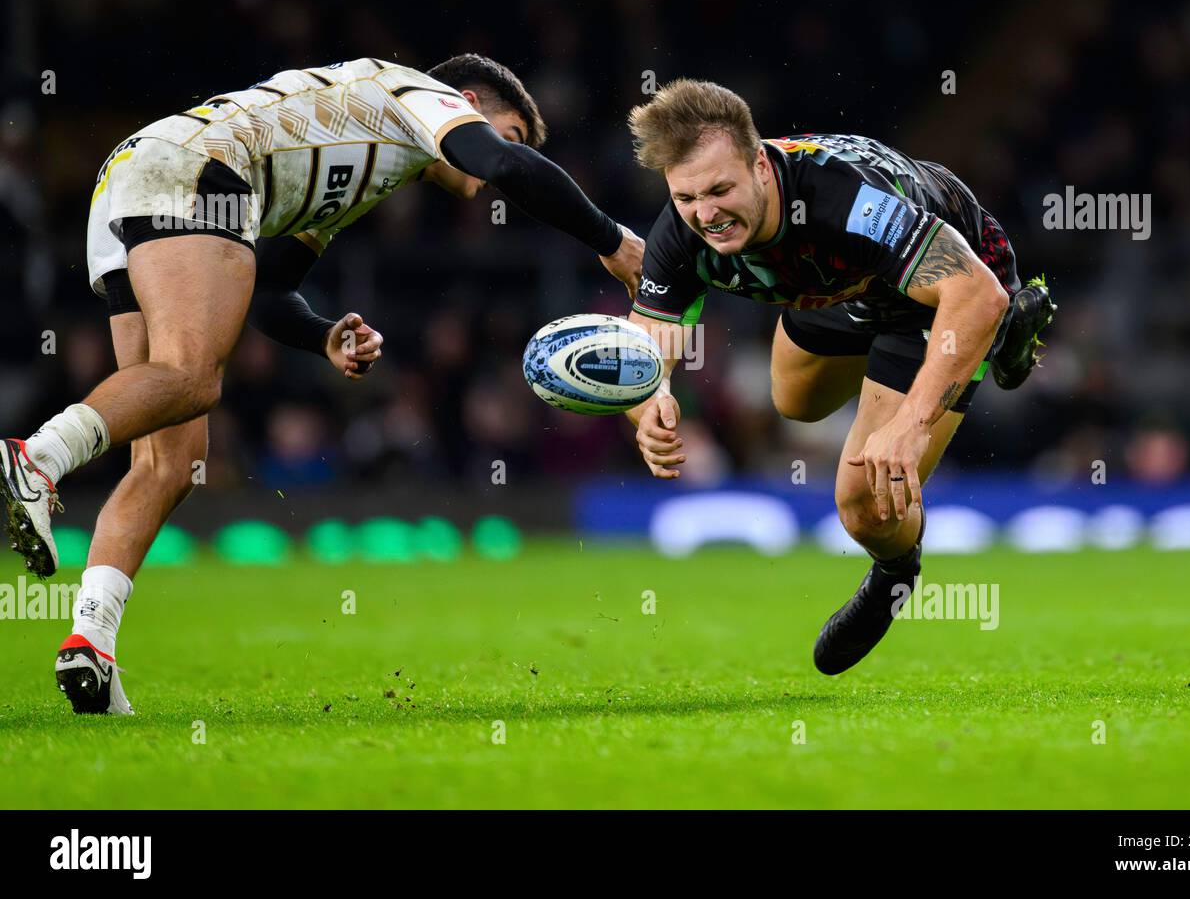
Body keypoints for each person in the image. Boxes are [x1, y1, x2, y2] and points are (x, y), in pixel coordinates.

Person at [1, 54, 643, 714]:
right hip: (201, 172)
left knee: (170, 458)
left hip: (140, 177)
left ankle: (92, 644)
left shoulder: (365, 150)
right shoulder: (417, 94)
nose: (493, 178)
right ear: (469, 100)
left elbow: (272, 290)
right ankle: (37, 459)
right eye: (505, 130)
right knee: (191, 378)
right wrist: (611, 238)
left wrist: (323, 335)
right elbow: (510, 167)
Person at [622, 79, 1054, 676]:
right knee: (793, 399)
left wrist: (909, 421)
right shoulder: (681, 230)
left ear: (762, 165)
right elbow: (650, 344)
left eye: (721, 190)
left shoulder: (845, 201)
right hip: (841, 288)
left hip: (945, 294)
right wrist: (648, 408)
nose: (707, 214)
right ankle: (968, 345)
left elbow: (969, 292)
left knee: (863, 504)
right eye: (688, 197)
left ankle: (895, 575)